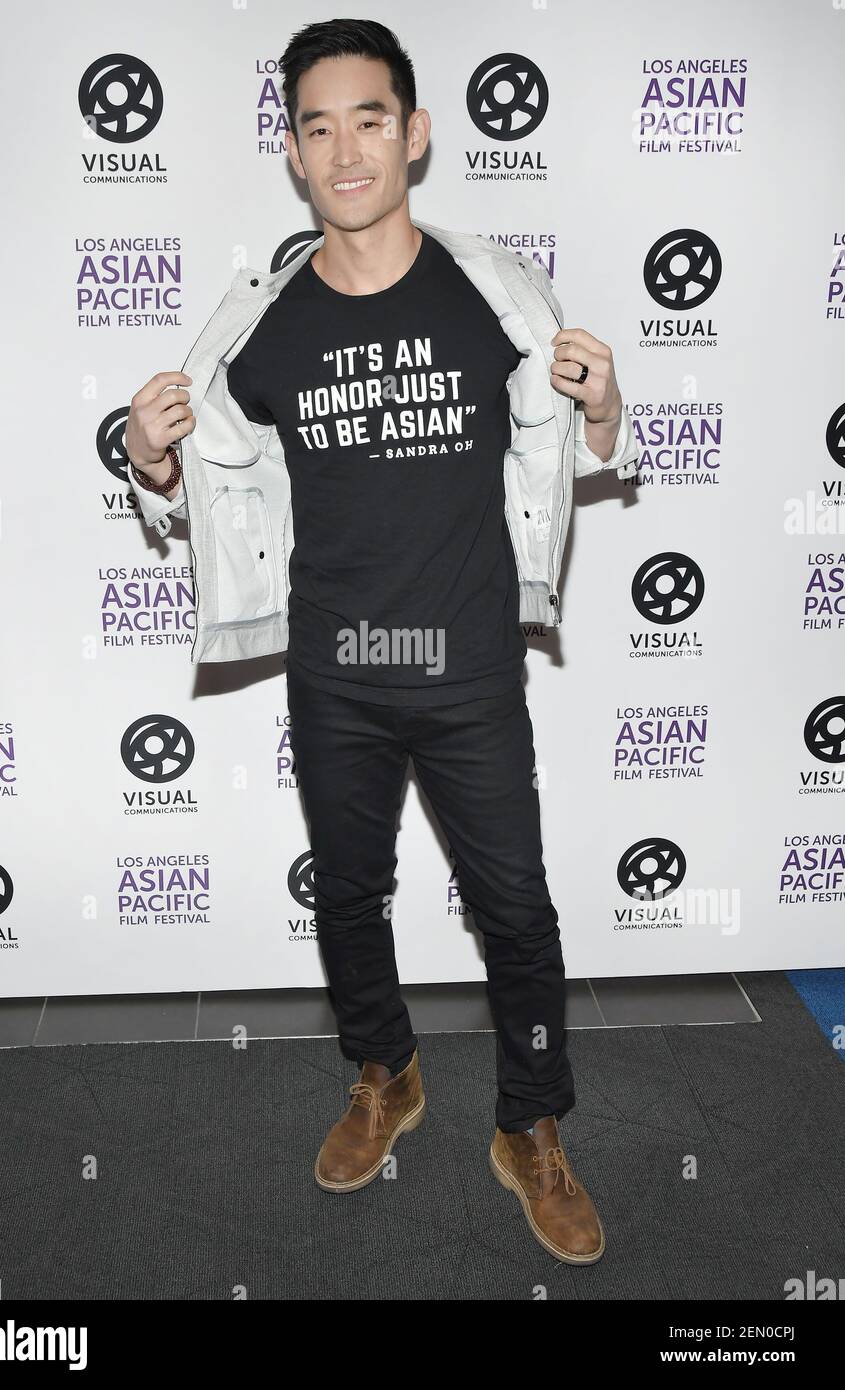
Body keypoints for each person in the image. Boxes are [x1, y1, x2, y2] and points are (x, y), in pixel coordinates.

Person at [125, 18, 637, 1264]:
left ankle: (533, 1128)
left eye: (369, 118)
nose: (345, 148)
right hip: (336, 669)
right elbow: (200, 482)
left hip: (468, 669)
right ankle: (384, 1074)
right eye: (317, 125)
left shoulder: (498, 295)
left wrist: (609, 407)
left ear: (413, 133)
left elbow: (581, 450)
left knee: (515, 908)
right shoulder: (261, 325)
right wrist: (147, 457)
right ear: (293, 154)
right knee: (351, 896)